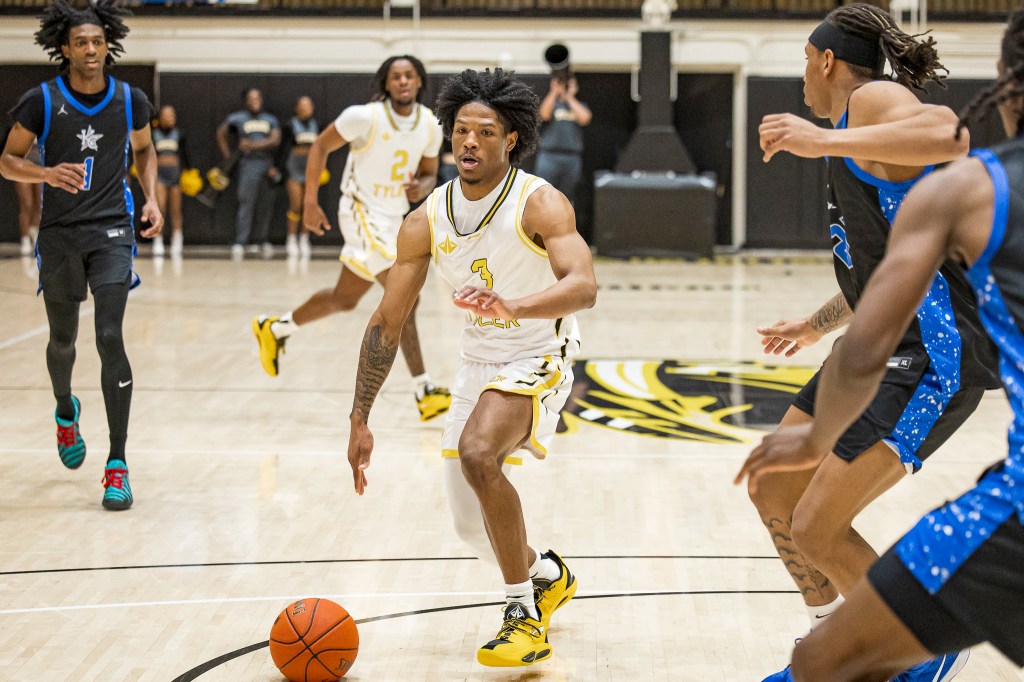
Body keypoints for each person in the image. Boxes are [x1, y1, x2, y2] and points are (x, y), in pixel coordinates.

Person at [736, 9, 1024, 678]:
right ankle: (838, 641)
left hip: (932, 359)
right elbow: (886, 270)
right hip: (887, 340)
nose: (804, 76)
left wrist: (818, 140)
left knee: (814, 525)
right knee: (775, 493)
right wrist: (818, 322)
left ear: (827, 60)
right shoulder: (857, 134)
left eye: (807, 60)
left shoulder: (868, 103)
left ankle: (914, 654)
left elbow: (945, 133)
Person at [344, 68, 597, 667]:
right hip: (478, 359)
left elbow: (584, 286)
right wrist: (360, 416)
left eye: (486, 131)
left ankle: (520, 616)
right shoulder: (426, 218)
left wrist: (517, 305)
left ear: (511, 139)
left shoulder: (539, 202)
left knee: (480, 453)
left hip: (541, 349)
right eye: (460, 130)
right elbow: (387, 322)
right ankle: (542, 574)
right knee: (466, 523)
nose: (470, 142)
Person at [0, 0, 162, 511]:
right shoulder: (41, 102)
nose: (90, 50)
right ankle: (65, 411)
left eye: (97, 42)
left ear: (106, 45)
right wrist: (45, 174)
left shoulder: (129, 98)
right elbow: (8, 161)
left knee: (110, 335)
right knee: (63, 342)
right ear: (64, 50)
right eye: (80, 43)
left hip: (112, 228)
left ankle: (117, 464)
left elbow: (145, 150)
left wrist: (152, 197)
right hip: (60, 234)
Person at [252, 56, 451, 422]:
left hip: (393, 218)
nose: (403, 81)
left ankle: (276, 328)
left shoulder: (429, 125)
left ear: (420, 81)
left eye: (409, 75)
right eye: (396, 76)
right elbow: (320, 148)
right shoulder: (364, 117)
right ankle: (424, 391)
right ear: (387, 83)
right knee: (404, 295)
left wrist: (418, 187)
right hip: (360, 211)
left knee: (345, 299)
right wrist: (310, 202)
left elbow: (429, 174)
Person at [216, 87, 280, 260]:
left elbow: (275, 139)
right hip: (248, 164)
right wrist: (227, 155)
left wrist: (252, 145)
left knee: (265, 204)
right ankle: (240, 241)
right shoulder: (238, 118)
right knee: (246, 203)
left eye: (258, 97)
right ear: (246, 101)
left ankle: (262, 240)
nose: (255, 101)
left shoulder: (270, 119)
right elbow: (221, 132)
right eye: (252, 98)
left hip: (266, 163)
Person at [534, 70, 590, 207]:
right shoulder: (553, 105)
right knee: (544, 194)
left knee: (567, 195)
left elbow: (584, 118)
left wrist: (569, 96)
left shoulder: (580, 105)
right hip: (549, 156)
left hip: (571, 158)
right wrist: (554, 91)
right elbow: (543, 115)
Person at [151, 104, 190, 257]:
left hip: (175, 176)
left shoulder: (179, 134)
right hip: (159, 176)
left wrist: (188, 173)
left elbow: (185, 156)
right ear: (160, 118)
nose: (170, 118)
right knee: (160, 208)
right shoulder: (154, 135)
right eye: (166, 115)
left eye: (172, 115)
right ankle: (158, 240)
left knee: (176, 209)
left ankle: (177, 239)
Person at [282, 95, 317, 258]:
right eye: (303, 105)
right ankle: (291, 239)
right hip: (294, 169)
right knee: (295, 205)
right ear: (297, 108)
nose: (307, 108)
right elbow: (285, 149)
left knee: (307, 205)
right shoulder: (290, 125)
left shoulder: (316, 125)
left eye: (309, 105)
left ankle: (304, 238)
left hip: (310, 170)